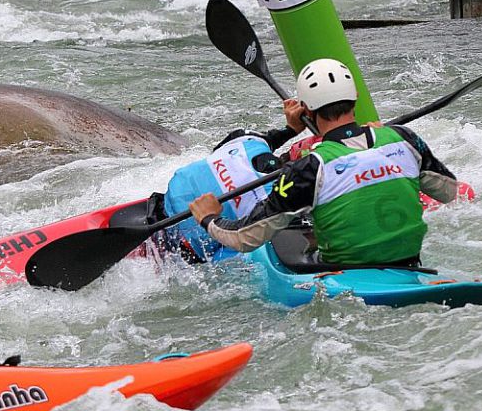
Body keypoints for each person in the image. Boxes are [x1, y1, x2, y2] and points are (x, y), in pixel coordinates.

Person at [188, 58, 459, 266]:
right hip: (410, 264)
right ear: (355, 99)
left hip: (346, 274)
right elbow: (449, 192)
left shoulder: (308, 168)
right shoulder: (403, 139)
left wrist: (209, 217)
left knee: (289, 230)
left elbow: (244, 239)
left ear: (306, 111)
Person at [151, 98, 308, 262]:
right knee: (255, 241)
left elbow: (259, 142)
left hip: (161, 206)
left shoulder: (246, 140)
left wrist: (290, 130)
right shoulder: (281, 197)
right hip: (191, 253)